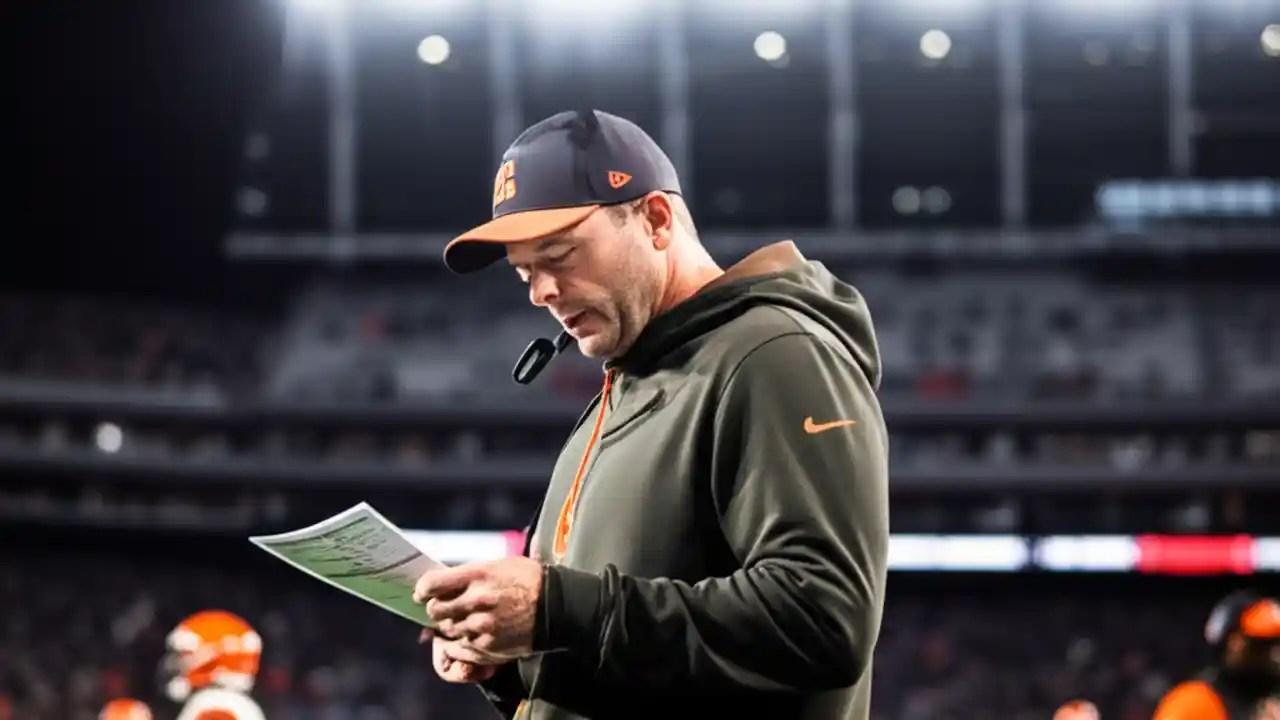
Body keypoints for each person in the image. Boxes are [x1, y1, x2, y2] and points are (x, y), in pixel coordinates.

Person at [412, 109, 890, 719]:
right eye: (526, 271)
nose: (541, 292)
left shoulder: (774, 354)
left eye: (560, 255)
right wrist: (512, 657)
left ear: (656, 220)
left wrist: (556, 610)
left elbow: (822, 619)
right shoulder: (628, 387)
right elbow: (625, 651)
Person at [1152, 591, 1279, 720]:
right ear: (1231, 644)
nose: (1274, 655)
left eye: (1277, 643)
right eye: (1261, 644)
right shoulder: (1195, 703)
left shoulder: (1270, 706)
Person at [160, 609, 267, 720]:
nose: (176, 663)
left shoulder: (213, 708)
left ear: (210, 657)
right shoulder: (236, 705)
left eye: (184, 655)